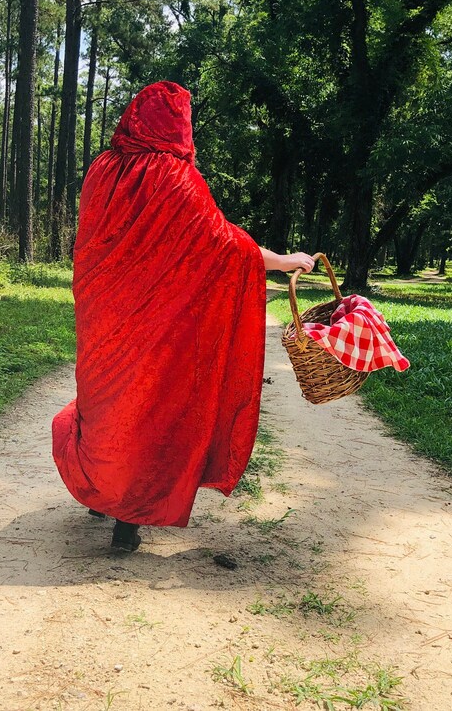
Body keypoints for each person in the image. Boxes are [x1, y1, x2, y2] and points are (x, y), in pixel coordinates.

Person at [52, 81, 314, 551]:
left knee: (103, 403)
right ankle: (126, 518)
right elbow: (226, 244)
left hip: (105, 313)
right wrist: (284, 260)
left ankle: (100, 492)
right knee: (146, 407)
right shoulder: (175, 178)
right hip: (157, 321)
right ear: (180, 126)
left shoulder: (101, 170)